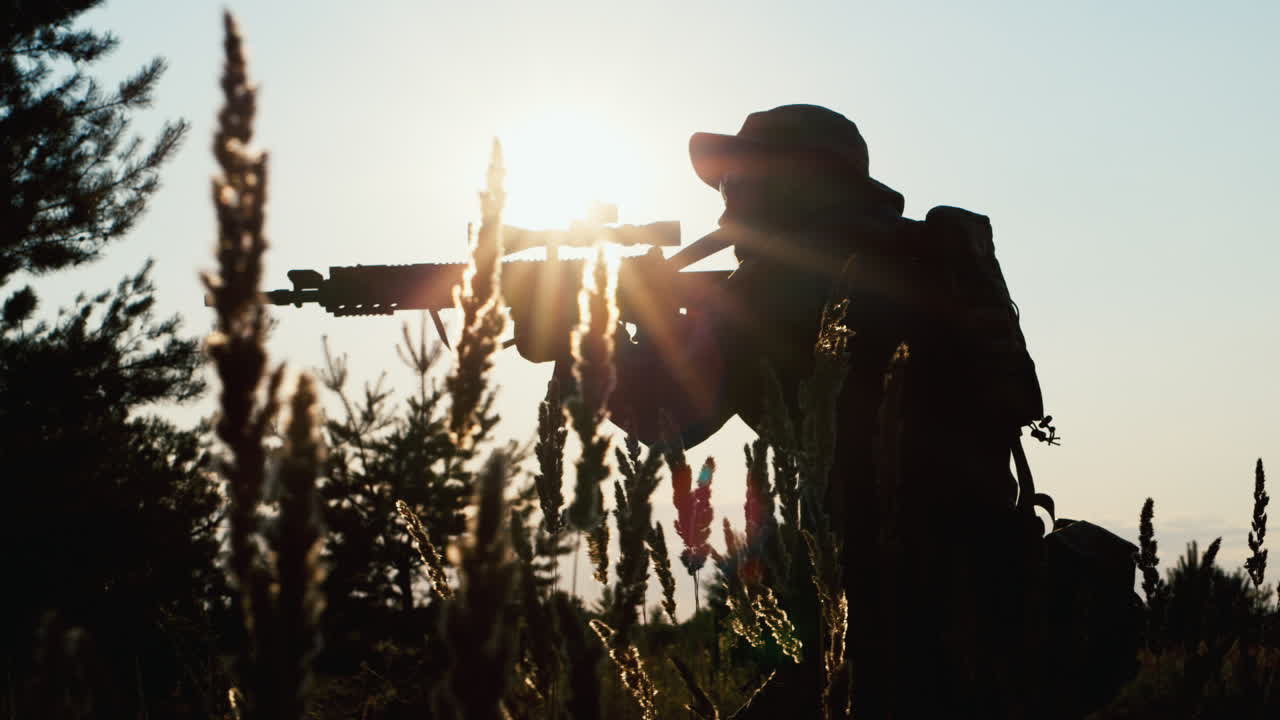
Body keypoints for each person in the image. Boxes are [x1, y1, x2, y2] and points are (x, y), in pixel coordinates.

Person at [516, 104, 1047, 717]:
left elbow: (670, 415)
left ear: (799, 178)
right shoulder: (903, 258)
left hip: (883, 618)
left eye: (737, 179)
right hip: (976, 590)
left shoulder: (782, 283)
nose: (724, 200)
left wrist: (580, 336)